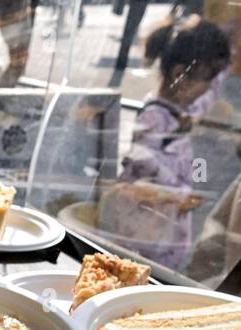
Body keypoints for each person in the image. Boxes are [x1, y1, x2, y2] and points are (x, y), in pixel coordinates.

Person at [99, 16, 231, 270]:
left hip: (168, 221)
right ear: (180, 73)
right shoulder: (155, 116)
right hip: (146, 224)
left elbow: (194, 160)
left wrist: (197, 181)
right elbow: (145, 163)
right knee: (141, 273)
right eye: (208, 77)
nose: (210, 87)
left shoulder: (185, 110)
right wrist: (181, 193)